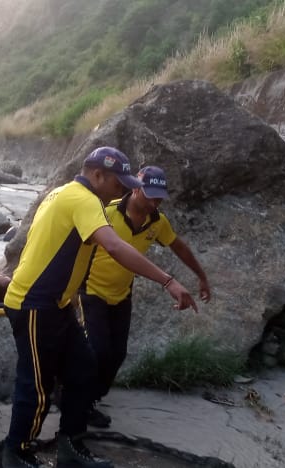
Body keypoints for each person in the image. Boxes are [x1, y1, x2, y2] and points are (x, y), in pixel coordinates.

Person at [1, 147, 198, 468]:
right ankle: (16, 453)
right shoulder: (83, 199)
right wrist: (168, 281)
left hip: (57, 304)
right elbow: (115, 246)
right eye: (117, 183)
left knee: (83, 369)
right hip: (34, 303)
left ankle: (71, 447)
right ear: (97, 175)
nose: (120, 190)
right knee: (36, 384)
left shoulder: (64, 193)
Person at [79, 166, 212, 429]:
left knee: (117, 354)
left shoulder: (157, 222)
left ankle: (90, 399)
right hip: (92, 291)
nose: (154, 203)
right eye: (150, 196)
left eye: (159, 198)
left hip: (121, 294)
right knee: (98, 351)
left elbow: (178, 246)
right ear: (135, 189)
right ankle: (75, 401)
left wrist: (201, 276)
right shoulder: (107, 212)